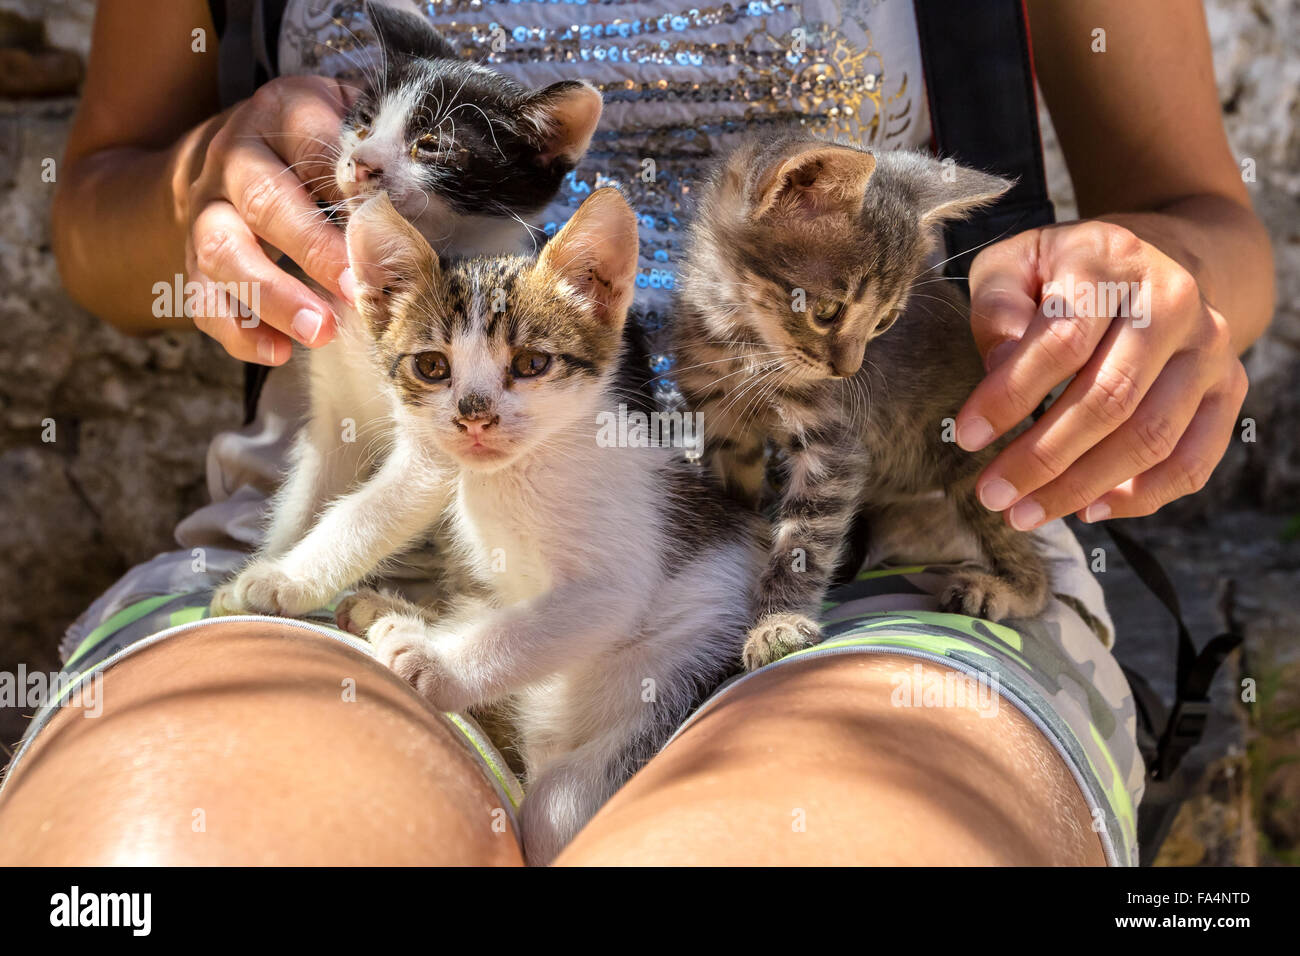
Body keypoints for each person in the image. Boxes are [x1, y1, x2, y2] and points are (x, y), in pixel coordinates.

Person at [0, 0, 1273, 865]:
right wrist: (203, 194)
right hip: (359, 545)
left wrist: (1145, 291)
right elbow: (103, 203)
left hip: (862, 557)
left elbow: (1189, 208)